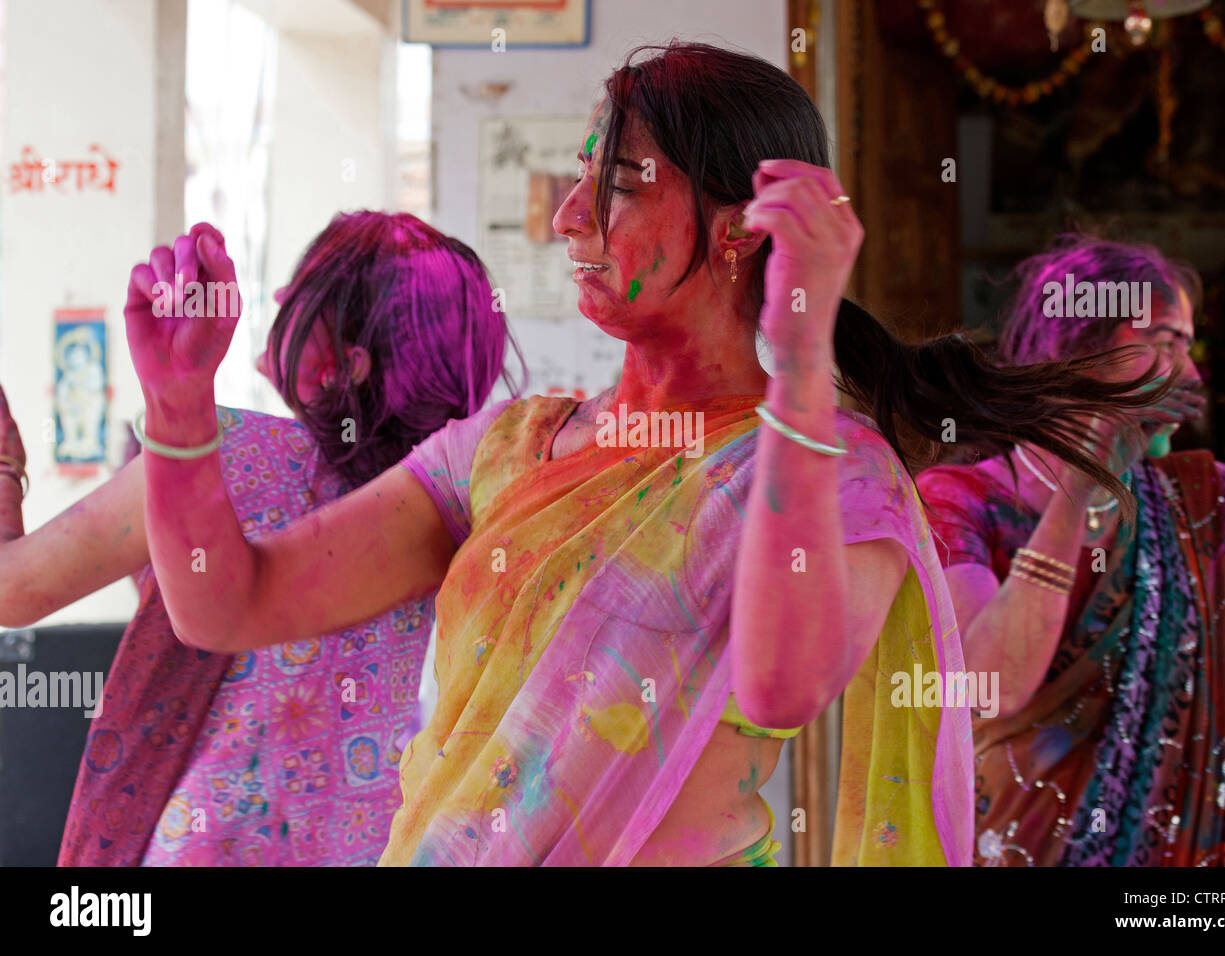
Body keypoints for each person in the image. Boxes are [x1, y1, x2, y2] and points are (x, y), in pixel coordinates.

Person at [120, 43, 1165, 867]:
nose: (570, 216)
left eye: (618, 182)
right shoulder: (513, 445)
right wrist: (177, 407)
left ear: (735, 230)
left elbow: (782, 683)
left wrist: (798, 356)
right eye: (580, 177)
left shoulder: (834, 476)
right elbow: (232, 601)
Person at [0, 210, 519, 865]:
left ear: (349, 365)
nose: (279, 299)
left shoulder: (223, 457)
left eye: (306, 290)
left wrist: (5, 467)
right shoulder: (480, 508)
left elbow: (10, 591)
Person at [916, 233, 1225, 867]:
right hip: (1023, 847)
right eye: (1168, 342)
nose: (1194, 373)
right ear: (1078, 350)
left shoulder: (1195, 503)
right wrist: (1086, 473)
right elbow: (992, 687)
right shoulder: (962, 499)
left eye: (1190, 346)